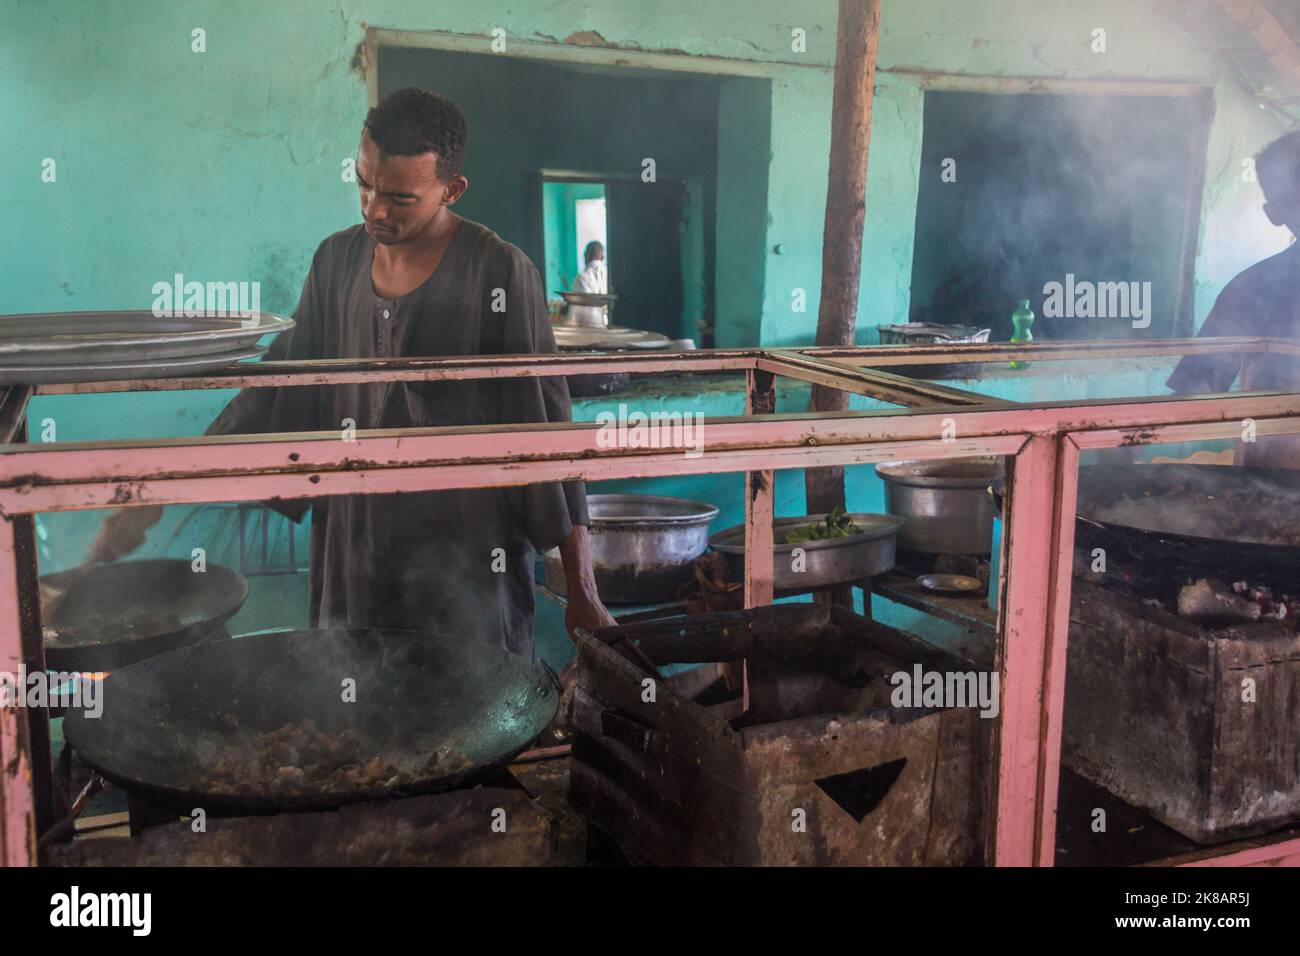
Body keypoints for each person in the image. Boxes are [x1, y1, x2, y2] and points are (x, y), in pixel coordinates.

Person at [91, 87, 616, 655]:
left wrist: (583, 586)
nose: (373, 209)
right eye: (363, 184)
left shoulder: (498, 270)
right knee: (351, 711)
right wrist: (159, 489)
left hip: (467, 562)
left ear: (452, 190)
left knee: (468, 719)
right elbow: (273, 391)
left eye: (399, 198)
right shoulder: (334, 262)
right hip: (351, 553)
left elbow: (546, 427)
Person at [1167, 130, 1300, 468]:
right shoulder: (1255, 288)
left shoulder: (1254, 286)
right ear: (1275, 213)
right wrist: (1120, 448)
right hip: (1277, 484)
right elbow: (1196, 390)